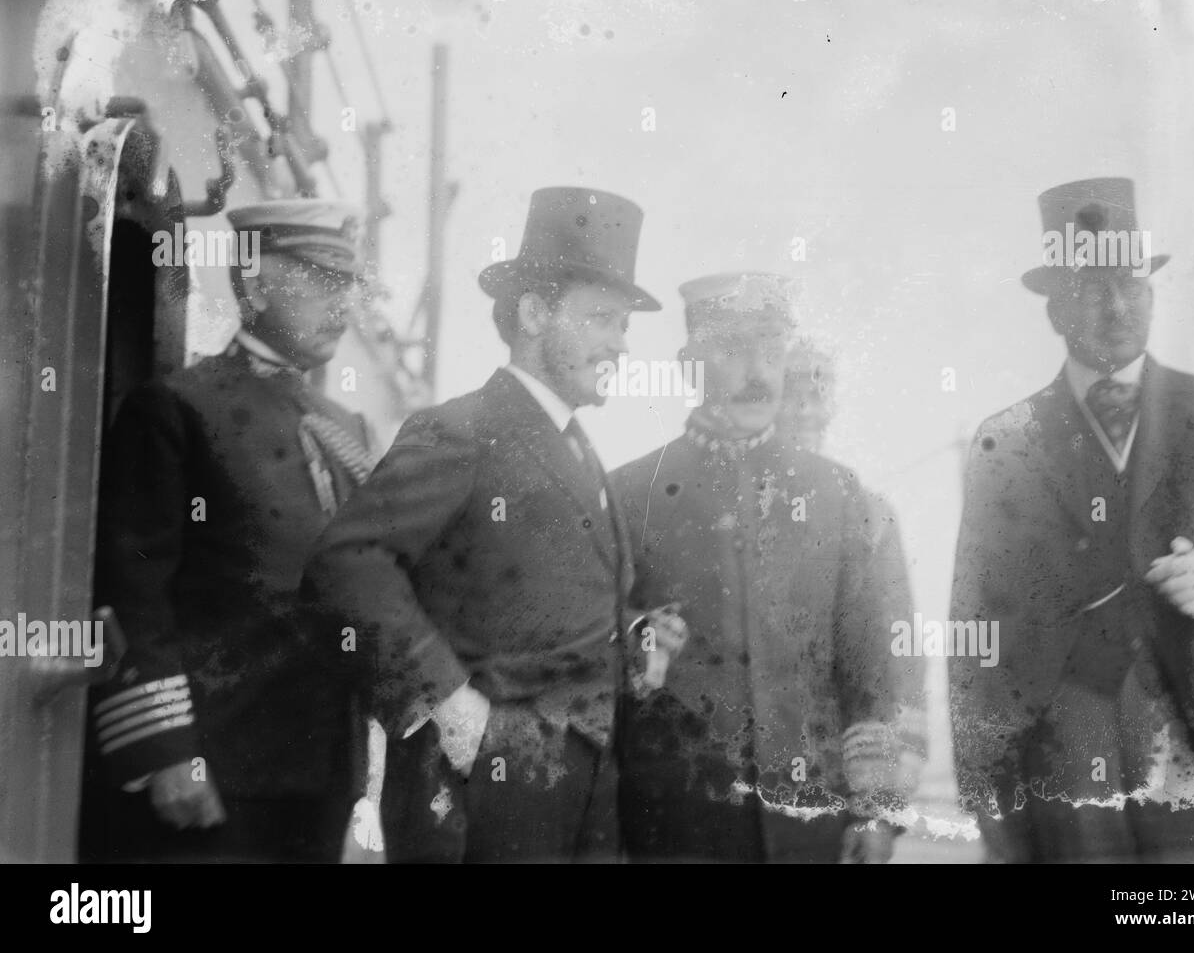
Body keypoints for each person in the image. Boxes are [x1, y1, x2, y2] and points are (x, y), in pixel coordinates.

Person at [302, 187, 685, 863]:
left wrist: (635, 633)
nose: (620, 345)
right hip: (483, 783)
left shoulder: (579, 450)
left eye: (623, 327)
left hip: (582, 788)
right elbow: (349, 561)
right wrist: (450, 708)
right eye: (602, 320)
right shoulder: (461, 431)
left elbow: (549, 601)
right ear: (535, 314)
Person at [950, 177, 1194, 863]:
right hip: (1069, 796)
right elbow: (976, 642)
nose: (1115, 306)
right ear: (1054, 309)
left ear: (1152, 292)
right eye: (1089, 288)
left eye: (1130, 284)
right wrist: (991, 807)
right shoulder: (1006, 444)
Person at [81, 200, 373, 863]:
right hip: (213, 770)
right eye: (322, 281)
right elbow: (133, 591)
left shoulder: (345, 430)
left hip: (321, 771)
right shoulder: (177, 408)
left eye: (349, 284)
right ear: (252, 280)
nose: (344, 305)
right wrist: (164, 751)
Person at [612, 272, 924, 863]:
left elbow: (869, 668)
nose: (757, 371)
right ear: (689, 365)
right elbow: (592, 639)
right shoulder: (632, 494)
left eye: (771, 349)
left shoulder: (836, 494)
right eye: (732, 349)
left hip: (808, 826)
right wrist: (636, 636)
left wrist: (875, 809)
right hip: (676, 825)